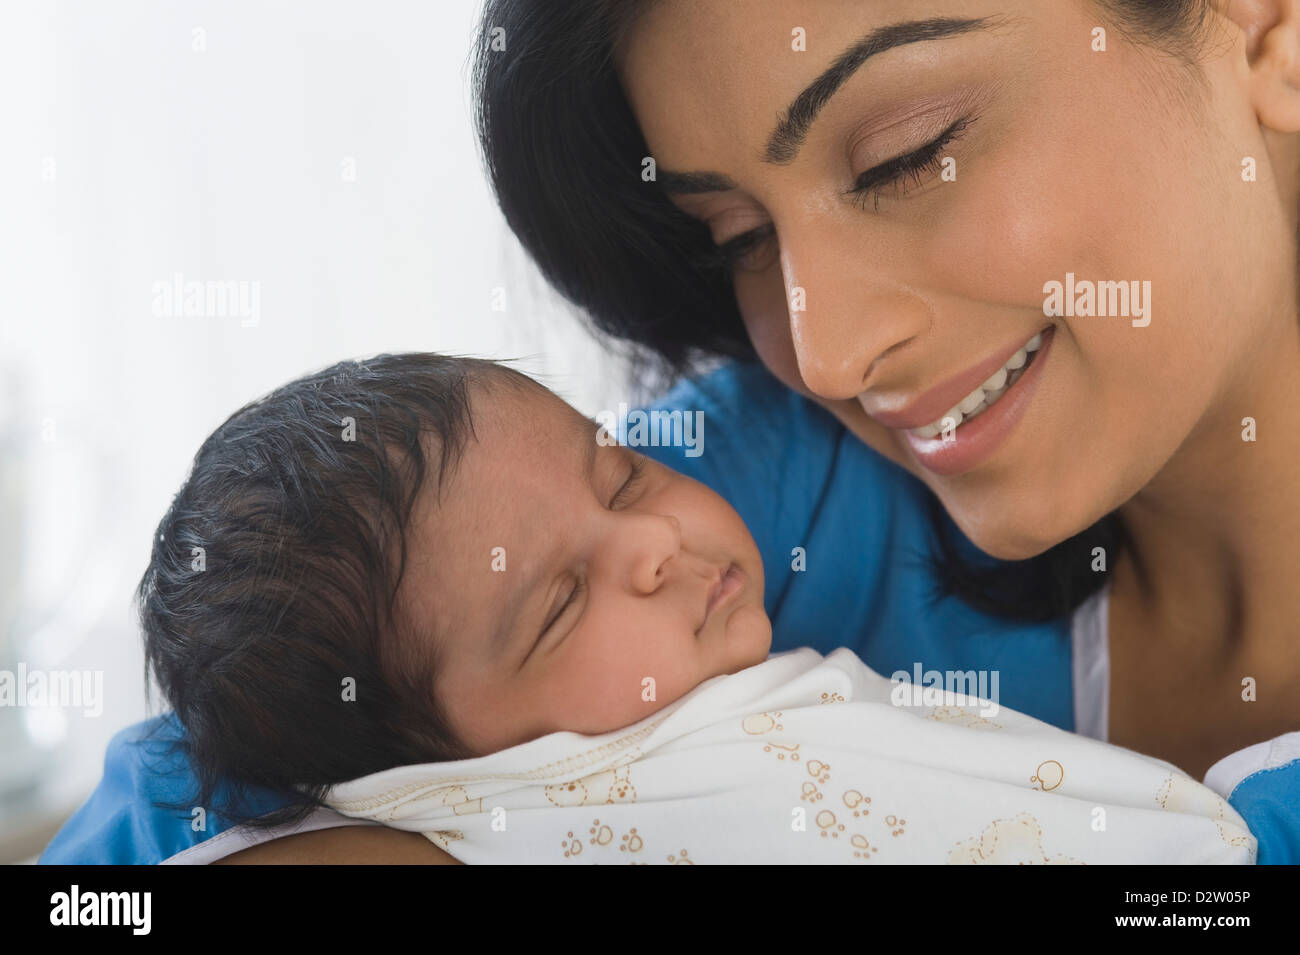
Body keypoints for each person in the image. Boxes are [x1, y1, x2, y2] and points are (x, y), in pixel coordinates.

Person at [42, 0, 1300, 863]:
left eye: (909, 156)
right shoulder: (769, 488)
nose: (829, 353)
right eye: (739, 238)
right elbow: (243, 724)